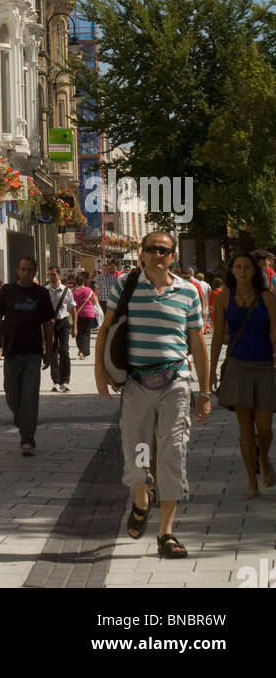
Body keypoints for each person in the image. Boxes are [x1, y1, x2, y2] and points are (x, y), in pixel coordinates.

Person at [94, 231, 211, 561]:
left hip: (175, 383)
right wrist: (99, 374)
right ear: (142, 254)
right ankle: (142, 500)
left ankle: (167, 533)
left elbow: (198, 344)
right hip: (136, 384)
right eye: (152, 250)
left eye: (164, 250)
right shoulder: (126, 286)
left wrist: (204, 392)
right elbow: (105, 330)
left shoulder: (187, 293)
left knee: (173, 453)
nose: (158, 255)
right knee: (138, 452)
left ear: (172, 256)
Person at [210, 252, 276, 498]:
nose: (243, 271)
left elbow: (275, 334)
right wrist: (211, 371)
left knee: (265, 427)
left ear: (254, 271)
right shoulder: (224, 297)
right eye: (238, 267)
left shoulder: (267, 298)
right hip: (237, 365)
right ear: (232, 271)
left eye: (247, 267)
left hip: (264, 366)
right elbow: (217, 336)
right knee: (245, 427)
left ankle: (265, 458)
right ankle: (252, 482)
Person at [0, 257, 54, 456]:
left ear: (35, 272)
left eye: (30, 270)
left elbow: (48, 323)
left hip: (33, 352)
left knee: (30, 397)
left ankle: (28, 439)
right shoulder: (7, 291)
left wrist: (49, 350)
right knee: (10, 393)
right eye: (23, 269)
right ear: (17, 270)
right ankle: (20, 417)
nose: (26, 273)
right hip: (11, 351)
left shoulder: (41, 293)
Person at [46, 266, 76, 392]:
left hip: (63, 322)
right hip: (50, 324)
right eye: (49, 275)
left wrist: (75, 327)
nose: (51, 277)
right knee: (52, 352)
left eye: (54, 274)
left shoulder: (66, 291)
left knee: (64, 351)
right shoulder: (45, 290)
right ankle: (56, 381)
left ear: (59, 275)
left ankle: (65, 381)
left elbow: (73, 309)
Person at [72, 271, 98, 358]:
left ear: (76, 282)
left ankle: (81, 351)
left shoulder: (73, 292)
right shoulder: (89, 290)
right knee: (86, 334)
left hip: (78, 315)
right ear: (84, 282)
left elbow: (71, 305)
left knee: (78, 333)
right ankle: (83, 352)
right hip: (89, 315)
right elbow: (95, 302)